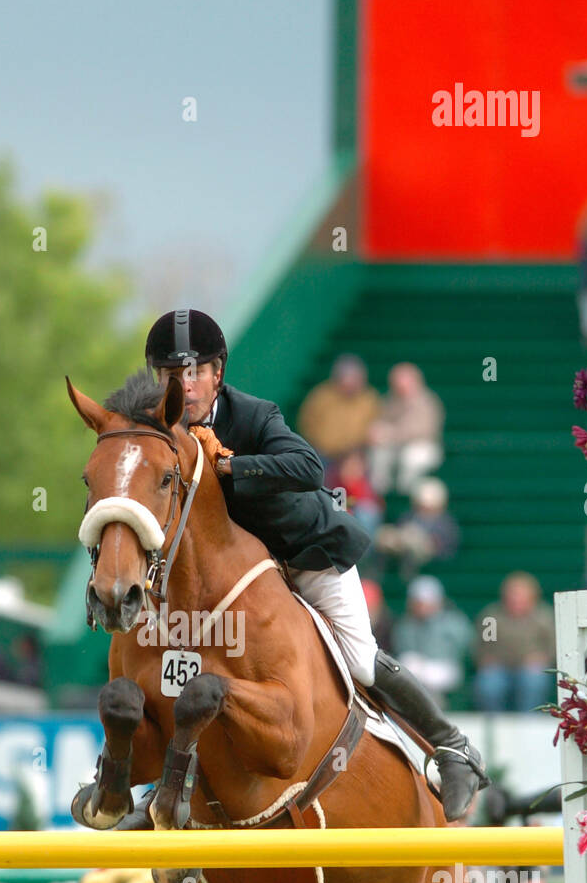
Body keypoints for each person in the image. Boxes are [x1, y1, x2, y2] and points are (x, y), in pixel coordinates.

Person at [143, 309, 487, 819]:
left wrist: (230, 465)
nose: (184, 386)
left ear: (218, 374)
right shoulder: (155, 428)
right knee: (181, 666)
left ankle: (453, 748)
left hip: (305, 557)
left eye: (195, 372)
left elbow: (307, 467)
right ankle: (162, 790)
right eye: (172, 375)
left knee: (360, 660)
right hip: (236, 581)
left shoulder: (254, 415)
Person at [473, 572, 556, 713]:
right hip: (500, 668)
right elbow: (484, 648)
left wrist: (542, 658)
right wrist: (488, 660)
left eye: (521, 595)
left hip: (531, 669)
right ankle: (495, 723)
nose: (516, 599)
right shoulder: (492, 618)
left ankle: (528, 722)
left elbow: (553, 647)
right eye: (513, 594)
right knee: (489, 684)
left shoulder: (544, 618)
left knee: (534, 681)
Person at [391, 576, 474, 706]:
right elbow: (403, 649)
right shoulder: (406, 624)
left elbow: (464, 647)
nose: (421, 606)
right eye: (418, 602)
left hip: (445, 666)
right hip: (420, 667)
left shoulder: (453, 621)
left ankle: (432, 704)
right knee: (408, 664)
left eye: (425, 602)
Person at [366, 363, 445, 494]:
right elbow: (381, 421)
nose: (400, 386)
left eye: (404, 382)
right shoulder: (390, 401)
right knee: (379, 451)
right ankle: (378, 491)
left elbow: (423, 430)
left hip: (424, 446)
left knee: (412, 457)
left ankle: (407, 493)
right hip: (396, 445)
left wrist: (392, 433)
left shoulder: (428, 402)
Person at [297, 354, 380, 463]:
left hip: (357, 455)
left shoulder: (370, 399)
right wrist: (319, 445)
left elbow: (374, 428)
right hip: (323, 453)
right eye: (346, 378)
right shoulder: (321, 396)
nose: (350, 383)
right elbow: (306, 423)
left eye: (354, 378)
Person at [374, 476, 460, 578]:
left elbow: (442, 548)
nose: (425, 510)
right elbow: (399, 531)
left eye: (430, 507)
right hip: (402, 551)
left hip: (428, 561)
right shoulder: (410, 516)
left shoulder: (446, 524)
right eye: (423, 506)